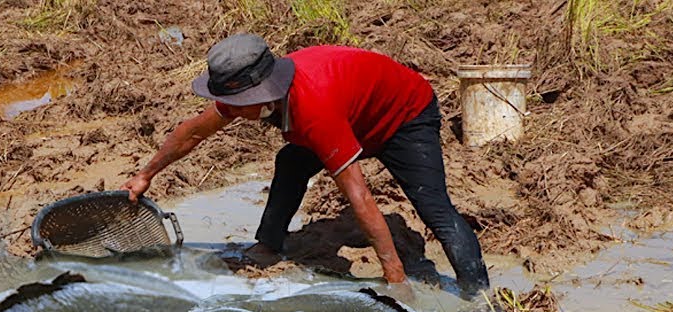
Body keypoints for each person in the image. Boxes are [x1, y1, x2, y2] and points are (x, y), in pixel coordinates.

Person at [122, 33, 490, 296]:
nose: (230, 112)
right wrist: (145, 175)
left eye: (237, 104)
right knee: (291, 162)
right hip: (352, 111)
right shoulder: (250, 97)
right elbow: (192, 133)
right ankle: (268, 244)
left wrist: (395, 278)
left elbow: (358, 194)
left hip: (403, 116)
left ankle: (479, 297)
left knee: (435, 208)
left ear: (263, 94)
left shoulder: (315, 111)